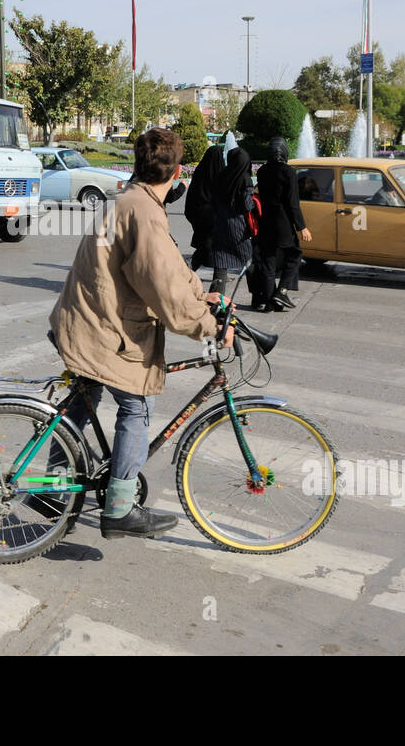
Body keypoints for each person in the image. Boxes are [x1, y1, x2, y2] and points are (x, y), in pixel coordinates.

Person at [50, 128, 232, 539]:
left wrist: (205, 299)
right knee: (137, 408)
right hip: (105, 330)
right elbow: (164, 290)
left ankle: (52, 490)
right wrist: (209, 327)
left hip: (85, 320)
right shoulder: (144, 210)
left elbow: (169, 269)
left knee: (85, 400)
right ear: (178, 171)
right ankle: (118, 507)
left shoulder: (130, 200)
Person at [255, 136, 313, 312]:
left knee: (269, 262)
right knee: (295, 255)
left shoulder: (262, 171)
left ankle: (271, 301)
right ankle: (282, 290)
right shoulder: (288, 171)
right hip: (283, 223)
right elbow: (292, 202)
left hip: (266, 222)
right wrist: (302, 227)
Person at [208, 142, 255, 293]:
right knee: (249, 260)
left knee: (221, 263)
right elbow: (247, 206)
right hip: (238, 226)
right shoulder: (245, 179)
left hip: (220, 223)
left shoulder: (221, 175)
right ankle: (259, 295)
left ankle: (216, 299)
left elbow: (213, 200)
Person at [183, 142, 224, 270]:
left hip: (197, 213)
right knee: (212, 245)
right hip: (211, 215)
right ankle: (219, 275)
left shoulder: (200, 171)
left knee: (206, 244)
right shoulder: (219, 173)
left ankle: (192, 268)